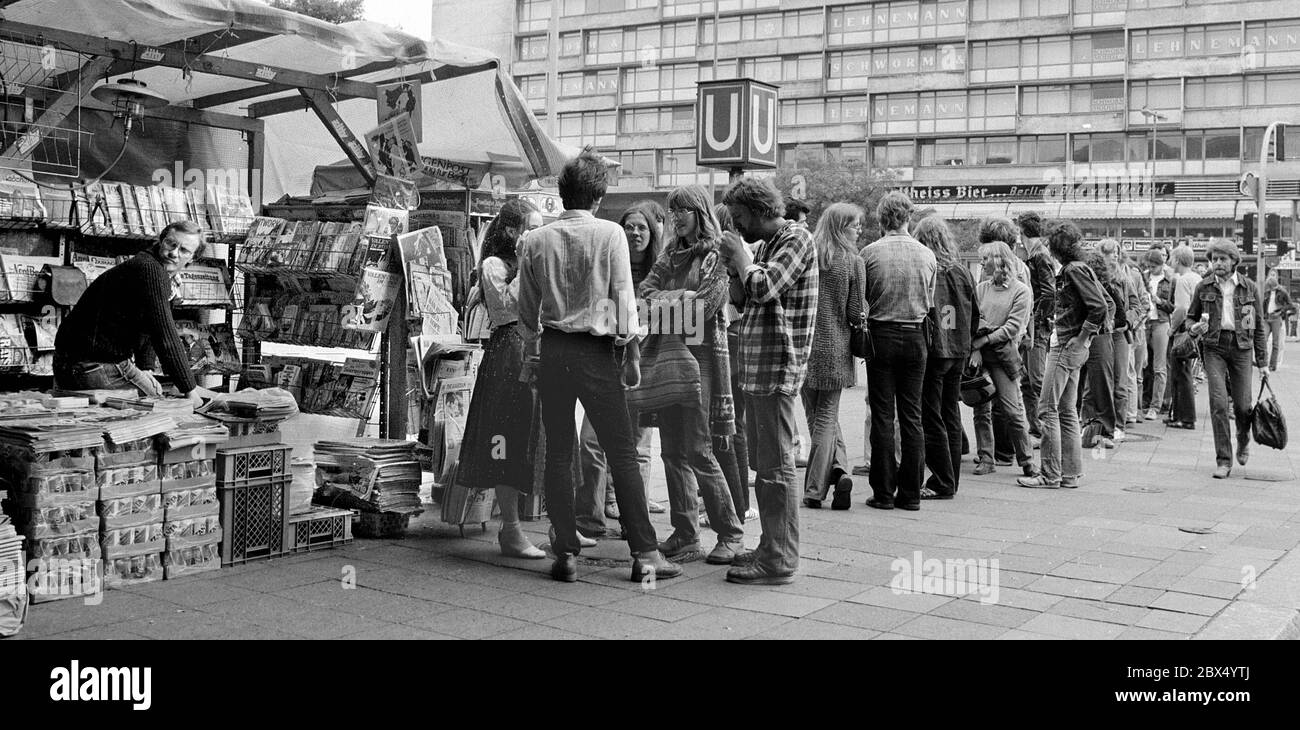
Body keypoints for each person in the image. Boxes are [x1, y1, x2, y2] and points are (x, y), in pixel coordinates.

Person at [516, 146, 682, 583]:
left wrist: (533, 353)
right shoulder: (610, 235)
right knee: (622, 451)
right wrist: (629, 353)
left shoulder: (535, 240)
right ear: (598, 196)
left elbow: (525, 312)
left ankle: (565, 551)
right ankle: (645, 552)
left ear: (563, 192)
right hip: (596, 351)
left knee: (559, 451)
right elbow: (624, 304)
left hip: (553, 350)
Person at [718, 176, 818, 585]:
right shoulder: (768, 245)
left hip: (779, 364)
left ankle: (779, 557)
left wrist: (742, 260)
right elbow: (742, 300)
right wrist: (735, 268)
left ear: (760, 210)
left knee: (776, 467)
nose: (738, 225)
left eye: (740, 217)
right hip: (761, 365)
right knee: (766, 464)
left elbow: (765, 285)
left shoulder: (797, 239)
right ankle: (771, 545)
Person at [638, 185, 746, 564]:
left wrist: (668, 303)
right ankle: (685, 533)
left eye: (684, 209)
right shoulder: (670, 253)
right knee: (671, 451)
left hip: (701, 359)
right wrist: (681, 299)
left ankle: (731, 532)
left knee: (699, 449)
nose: (677, 217)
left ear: (701, 212)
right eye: (672, 211)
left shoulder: (715, 255)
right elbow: (642, 294)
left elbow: (707, 307)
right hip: (669, 356)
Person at [454, 199, 548, 559]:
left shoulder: (537, 260)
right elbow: (506, 307)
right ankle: (511, 528)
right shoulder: (494, 265)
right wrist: (526, 262)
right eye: (533, 227)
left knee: (534, 436)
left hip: (537, 348)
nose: (539, 234)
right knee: (508, 436)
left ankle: (547, 524)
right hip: (509, 353)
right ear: (512, 231)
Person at [54, 221, 217, 408]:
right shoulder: (151, 269)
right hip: (91, 365)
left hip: (76, 362)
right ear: (161, 241)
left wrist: (145, 366)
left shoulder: (161, 273)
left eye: (184, 250)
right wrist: (189, 390)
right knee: (160, 407)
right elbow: (165, 335)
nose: (174, 253)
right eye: (171, 244)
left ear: (192, 258)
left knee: (151, 401)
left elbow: (149, 324)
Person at [575, 202, 664, 540]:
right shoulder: (608, 266)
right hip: (606, 365)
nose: (635, 232)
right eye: (629, 227)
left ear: (651, 233)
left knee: (638, 448)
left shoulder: (662, 271)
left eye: (642, 227)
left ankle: (633, 521)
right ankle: (589, 518)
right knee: (591, 442)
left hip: (647, 367)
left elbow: (676, 317)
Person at [1017, 220, 1107, 490]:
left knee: (1047, 409)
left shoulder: (1073, 271)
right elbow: (1104, 304)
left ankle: (1050, 473)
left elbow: (1100, 307)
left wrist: (1080, 338)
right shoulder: (1080, 268)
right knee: (1067, 410)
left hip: (1066, 345)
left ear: (1056, 249)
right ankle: (1069, 474)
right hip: (1073, 344)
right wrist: (1085, 338)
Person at [861, 192, 937, 511]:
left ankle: (883, 491)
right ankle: (911, 493)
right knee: (912, 415)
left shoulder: (869, 253)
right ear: (908, 218)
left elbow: (861, 300)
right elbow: (930, 303)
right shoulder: (927, 255)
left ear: (882, 219)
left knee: (882, 415)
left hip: (881, 335)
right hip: (915, 335)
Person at [799, 203, 865, 510]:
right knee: (826, 418)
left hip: (803, 347)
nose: (858, 230)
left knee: (816, 417)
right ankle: (815, 488)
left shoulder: (808, 255)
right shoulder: (852, 260)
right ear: (840, 227)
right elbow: (854, 313)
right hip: (836, 348)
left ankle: (838, 471)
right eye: (854, 225)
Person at [1187, 240, 1268, 479]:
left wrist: (1263, 363)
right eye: (1214, 259)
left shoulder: (1248, 287)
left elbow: (1258, 326)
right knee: (1219, 404)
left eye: (1223, 259)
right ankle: (1224, 460)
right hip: (1214, 347)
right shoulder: (1203, 287)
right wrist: (1194, 329)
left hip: (1242, 348)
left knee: (1243, 406)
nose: (1218, 263)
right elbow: (1190, 319)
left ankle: (1243, 439)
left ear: (1234, 261)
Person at [916, 216, 977, 499]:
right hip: (959, 348)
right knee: (951, 413)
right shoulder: (963, 272)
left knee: (932, 415)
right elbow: (975, 312)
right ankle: (950, 478)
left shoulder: (929, 270)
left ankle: (941, 479)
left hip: (936, 349)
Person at [970, 240, 1037, 478]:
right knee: (980, 410)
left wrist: (984, 341)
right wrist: (976, 348)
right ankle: (986, 457)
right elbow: (975, 319)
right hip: (980, 356)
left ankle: (1027, 459)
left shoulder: (1021, 291)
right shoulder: (981, 289)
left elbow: (1013, 328)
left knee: (1012, 411)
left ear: (999, 260)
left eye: (986, 259)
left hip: (1002, 357)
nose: (982, 263)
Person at [714, 203, 759, 523]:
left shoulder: (727, 252)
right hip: (742, 340)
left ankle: (734, 504)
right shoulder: (744, 250)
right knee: (735, 425)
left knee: (726, 426)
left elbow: (736, 298)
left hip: (727, 340)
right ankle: (739, 503)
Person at [1015, 211, 1056, 443]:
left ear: (1022, 231)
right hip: (1034, 325)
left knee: (1036, 379)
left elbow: (1049, 292)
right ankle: (1037, 427)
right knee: (1028, 380)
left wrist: (1036, 319)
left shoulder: (1040, 255)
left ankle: (1046, 428)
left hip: (1037, 327)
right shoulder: (1036, 254)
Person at [1078, 250, 1123, 448]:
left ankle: (1104, 430)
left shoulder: (1107, 290)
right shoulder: (1084, 287)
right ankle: (1090, 428)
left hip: (1098, 337)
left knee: (1099, 384)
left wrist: (1107, 322)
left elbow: (1119, 314)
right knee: (1090, 386)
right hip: (1090, 337)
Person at [1099, 240, 1137, 440]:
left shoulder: (1124, 278)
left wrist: (1127, 322)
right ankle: (1100, 423)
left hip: (1120, 334)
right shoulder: (1094, 276)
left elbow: (1137, 306)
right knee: (1098, 381)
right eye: (1110, 252)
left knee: (1120, 380)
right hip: (1101, 333)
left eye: (1116, 252)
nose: (1114, 256)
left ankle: (1119, 425)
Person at [1166, 245, 1201, 429]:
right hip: (1196, 330)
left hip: (1183, 330)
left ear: (1178, 260)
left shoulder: (1182, 281)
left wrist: (1172, 329)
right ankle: (1179, 415)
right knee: (1186, 372)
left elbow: (1180, 309)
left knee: (1180, 374)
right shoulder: (1197, 278)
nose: (1170, 262)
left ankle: (1184, 417)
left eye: (1172, 258)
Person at [1142, 249, 1175, 421]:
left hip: (1161, 322)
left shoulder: (1170, 280)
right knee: (1142, 365)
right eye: (1148, 266)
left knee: (1159, 366)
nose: (1150, 269)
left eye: (1153, 266)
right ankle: (1143, 403)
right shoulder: (1143, 277)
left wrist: (1159, 301)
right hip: (1144, 322)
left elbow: (1173, 306)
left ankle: (1156, 406)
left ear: (1161, 265)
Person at [1122, 249, 1151, 426]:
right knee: (1129, 372)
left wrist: (1131, 323)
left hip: (1132, 330)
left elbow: (1144, 304)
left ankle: (1131, 413)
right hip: (1125, 329)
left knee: (1131, 372)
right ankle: (1129, 412)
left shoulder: (1133, 275)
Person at [1263, 272, 1293, 371]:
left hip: (1276, 318)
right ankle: (1263, 363)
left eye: (1271, 287)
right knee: (1263, 340)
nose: (1270, 288)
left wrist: (1280, 312)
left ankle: (1272, 365)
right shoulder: (1266, 292)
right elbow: (1264, 304)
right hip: (1267, 318)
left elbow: (1290, 305)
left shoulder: (1282, 292)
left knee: (1276, 343)